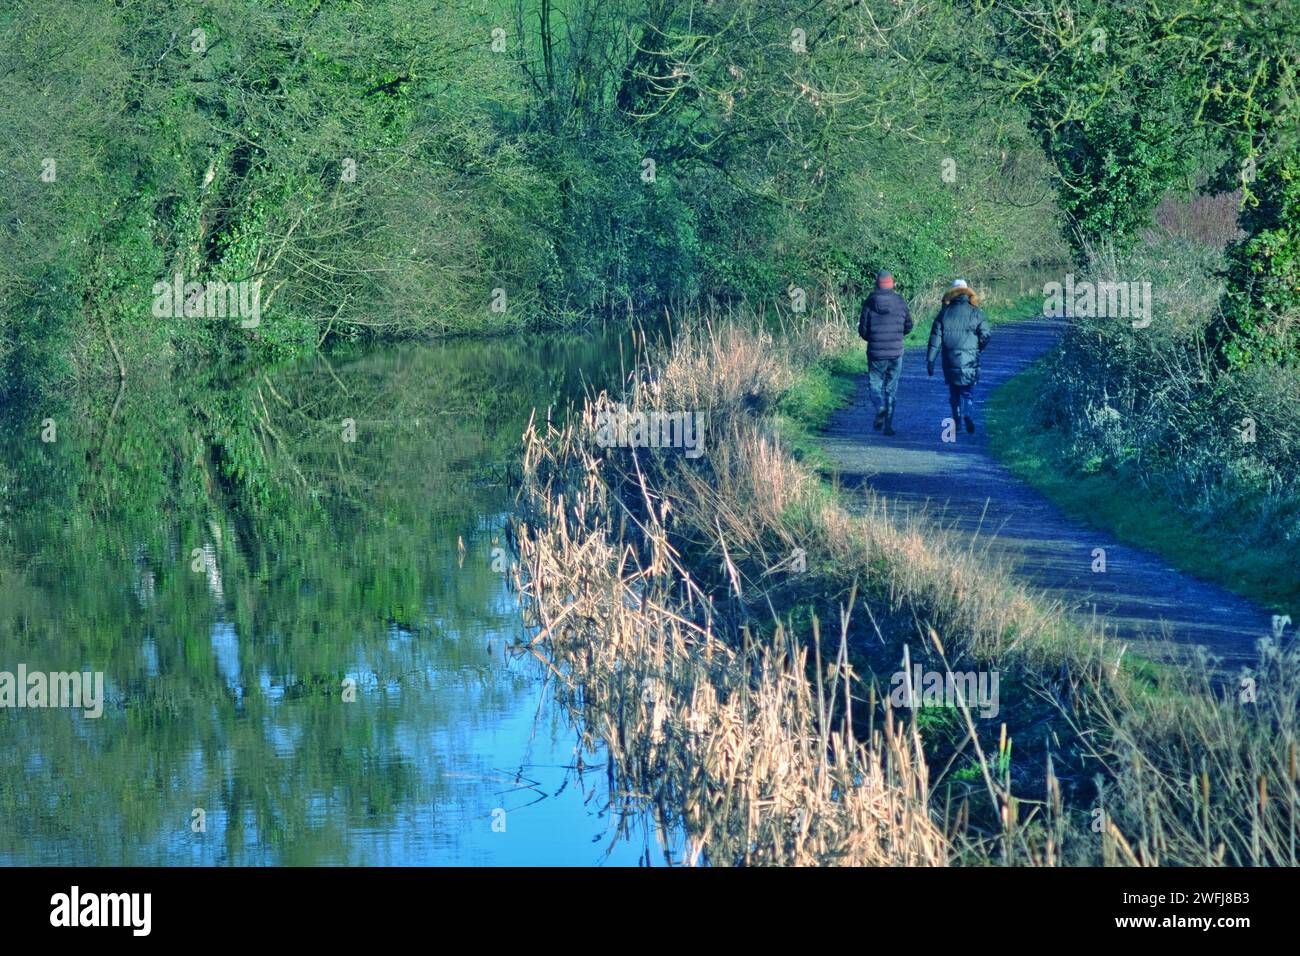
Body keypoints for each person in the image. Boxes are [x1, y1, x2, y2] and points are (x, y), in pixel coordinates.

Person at [927, 280, 991, 435]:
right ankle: (967, 412)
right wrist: (979, 348)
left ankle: (956, 420)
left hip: (950, 358)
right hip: (970, 359)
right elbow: (986, 334)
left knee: (954, 391)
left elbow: (935, 340)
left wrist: (930, 360)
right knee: (967, 390)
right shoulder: (976, 312)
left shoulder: (944, 313)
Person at [857, 270, 913, 435]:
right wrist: (898, 335)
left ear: (877, 284)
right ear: (892, 284)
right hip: (896, 352)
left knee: (875, 383)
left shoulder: (869, 302)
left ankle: (879, 406)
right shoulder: (900, 302)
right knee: (891, 388)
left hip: (875, 352)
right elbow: (909, 326)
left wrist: (872, 339)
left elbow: (863, 330)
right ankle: (888, 426)